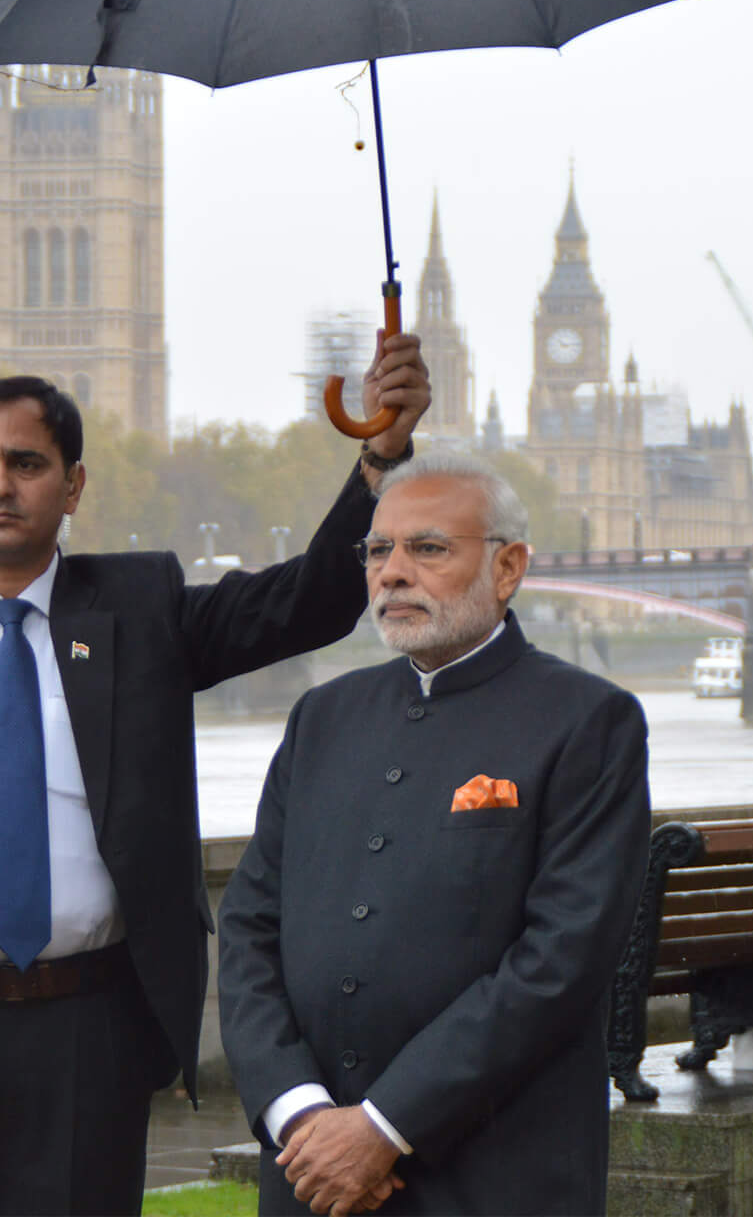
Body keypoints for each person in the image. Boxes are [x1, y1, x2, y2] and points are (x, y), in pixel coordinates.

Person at [0, 335, 430, 1217]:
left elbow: (308, 601)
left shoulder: (141, 608)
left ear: (73, 486)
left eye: (25, 463)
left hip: (87, 1036)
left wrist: (380, 458)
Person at [217, 453, 651, 1216]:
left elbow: (562, 959)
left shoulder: (589, 721)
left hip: (496, 1176)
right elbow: (250, 926)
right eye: (378, 550)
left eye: (427, 548)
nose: (392, 572)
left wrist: (384, 1126)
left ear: (508, 568)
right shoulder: (322, 717)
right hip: (310, 1172)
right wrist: (298, 1111)